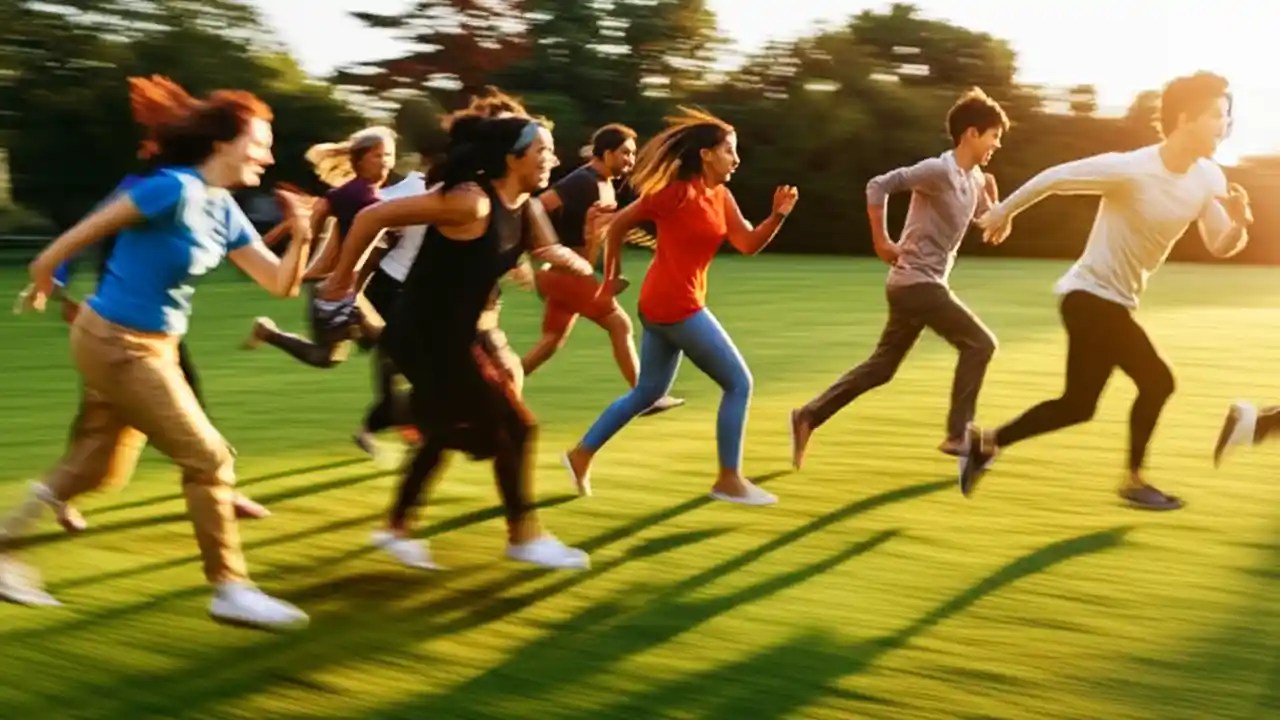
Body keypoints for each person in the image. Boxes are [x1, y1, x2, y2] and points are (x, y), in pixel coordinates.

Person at [0, 75, 313, 630]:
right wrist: (45, 274)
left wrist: (306, 233)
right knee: (209, 458)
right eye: (259, 143)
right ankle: (230, 588)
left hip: (156, 347)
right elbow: (85, 231)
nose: (267, 157)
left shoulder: (223, 207)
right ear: (222, 143)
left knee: (99, 468)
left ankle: (3, 548)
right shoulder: (174, 188)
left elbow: (280, 285)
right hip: (115, 340)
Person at [959, 71, 1253, 511]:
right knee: (1158, 381)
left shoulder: (1209, 178)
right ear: (1185, 119)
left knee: (1077, 406)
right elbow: (1056, 177)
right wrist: (1003, 211)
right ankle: (1134, 481)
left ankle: (986, 443)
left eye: (1227, 116)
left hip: (1113, 302)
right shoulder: (1132, 169)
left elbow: (1219, 243)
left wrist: (1240, 222)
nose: (1224, 125)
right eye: (1216, 115)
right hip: (1089, 297)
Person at [318, 109, 596, 570]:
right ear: (512, 158)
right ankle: (524, 537)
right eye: (542, 150)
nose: (552, 158)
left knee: (448, 431)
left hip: (460, 334)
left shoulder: (523, 206)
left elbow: (546, 250)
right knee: (515, 428)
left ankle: (395, 528)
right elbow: (372, 216)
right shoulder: (470, 203)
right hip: (425, 337)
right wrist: (340, 283)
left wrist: (582, 256)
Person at [562, 108, 799, 504]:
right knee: (739, 383)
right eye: (729, 150)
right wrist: (609, 278)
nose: (736, 159)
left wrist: (777, 216)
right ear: (706, 155)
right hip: (676, 305)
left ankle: (580, 454)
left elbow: (747, 244)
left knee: (648, 391)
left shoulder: (720, 196)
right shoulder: (675, 193)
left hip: (665, 304)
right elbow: (618, 224)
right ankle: (728, 479)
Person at [790, 88, 1006, 469]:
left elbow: (987, 224)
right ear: (971, 133)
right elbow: (879, 184)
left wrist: (996, 201)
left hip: (919, 284)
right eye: (994, 136)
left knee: (882, 368)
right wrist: (881, 241)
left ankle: (809, 415)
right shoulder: (938, 170)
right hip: (917, 283)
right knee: (981, 344)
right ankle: (958, 433)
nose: (997, 145)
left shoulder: (972, 179)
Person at [45, 172, 272, 529]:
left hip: (160, 330)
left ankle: (218, 488)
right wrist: (59, 288)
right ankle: (60, 494)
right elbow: (83, 234)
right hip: (114, 324)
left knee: (186, 405)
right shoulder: (141, 187)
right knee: (98, 421)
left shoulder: (198, 187)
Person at [521, 123, 683, 415]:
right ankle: (646, 397)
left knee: (551, 341)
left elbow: (594, 236)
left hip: (567, 274)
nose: (630, 160)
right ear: (607, 153)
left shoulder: (605, 184)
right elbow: (536, 206)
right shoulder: (582, 181)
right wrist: (547, 248)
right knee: (620, 325)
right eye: (625, 153)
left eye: (632, 154)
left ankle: (500, 388)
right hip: (565, 273)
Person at [244, 126, 398, 366]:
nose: (385, 161)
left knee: (350, 352)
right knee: (339, 355)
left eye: (389, 155)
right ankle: (269, 333)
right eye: (377, 156)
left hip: (344, 291)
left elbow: (311, 219)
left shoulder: (353, 195)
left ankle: (269, 333)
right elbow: (310, 226)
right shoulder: (360, 198)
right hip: (335, 291)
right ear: (359, 160)